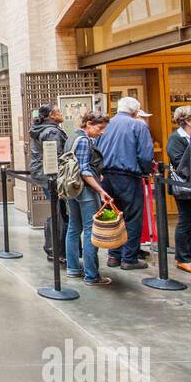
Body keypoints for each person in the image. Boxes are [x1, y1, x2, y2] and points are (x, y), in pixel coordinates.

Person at [97, 97, 155, 270]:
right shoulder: (138, 125)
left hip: (105, 176)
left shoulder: (106, 124)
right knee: (132, 216)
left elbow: (97, 149)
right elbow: (145, 154)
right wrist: (146, 171)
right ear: (136, 111)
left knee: (113, 215)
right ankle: (129, 258)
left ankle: (114, 255)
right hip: (128, 175)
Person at [64, 111, 115, 286]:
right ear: (89, 124)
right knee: (90, 231)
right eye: (99, 128)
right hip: (85, 191)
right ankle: (92, 275)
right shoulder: (84, 141)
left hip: (71, 189)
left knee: (73, 228)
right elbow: (84, 170)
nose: (101, 132)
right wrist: (100, 190)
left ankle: (72, 268)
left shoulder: (72, 137)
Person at [167, 107, 191, 275]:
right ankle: (183, 258)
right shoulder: (176, 138)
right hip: (185, 188)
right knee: (187, 220)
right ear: (189, 120)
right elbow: (179, 162)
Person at [28, 104, 67, 263]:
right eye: (58, 110)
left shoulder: (42, 129)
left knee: (57, 211)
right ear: (51, 114)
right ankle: (55, 249)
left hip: (44, 175)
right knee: (58, 212)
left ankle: (54, 248)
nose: (61, 113)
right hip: (51, 177)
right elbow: (56, 157)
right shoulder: (51, 131)